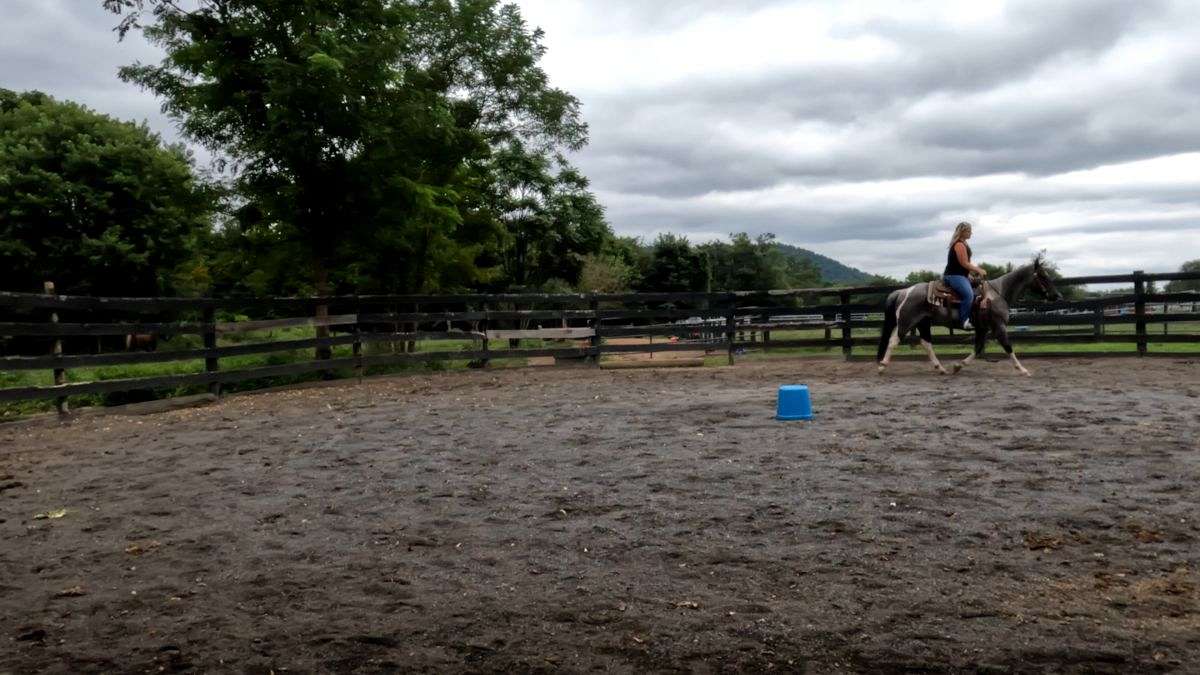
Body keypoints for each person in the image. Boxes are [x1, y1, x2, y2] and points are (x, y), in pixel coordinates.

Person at [943, 221, 987, 330]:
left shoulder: (964, 244)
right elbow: (964, 263)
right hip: (953, 276)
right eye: (969, 231)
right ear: (962, 232)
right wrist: (978, 270)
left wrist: (969, 275)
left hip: (961, 275)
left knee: (979, 291)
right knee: (969, 295)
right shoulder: (959, 244)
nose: (971, 233)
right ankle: (964, 321)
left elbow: (962, 265)